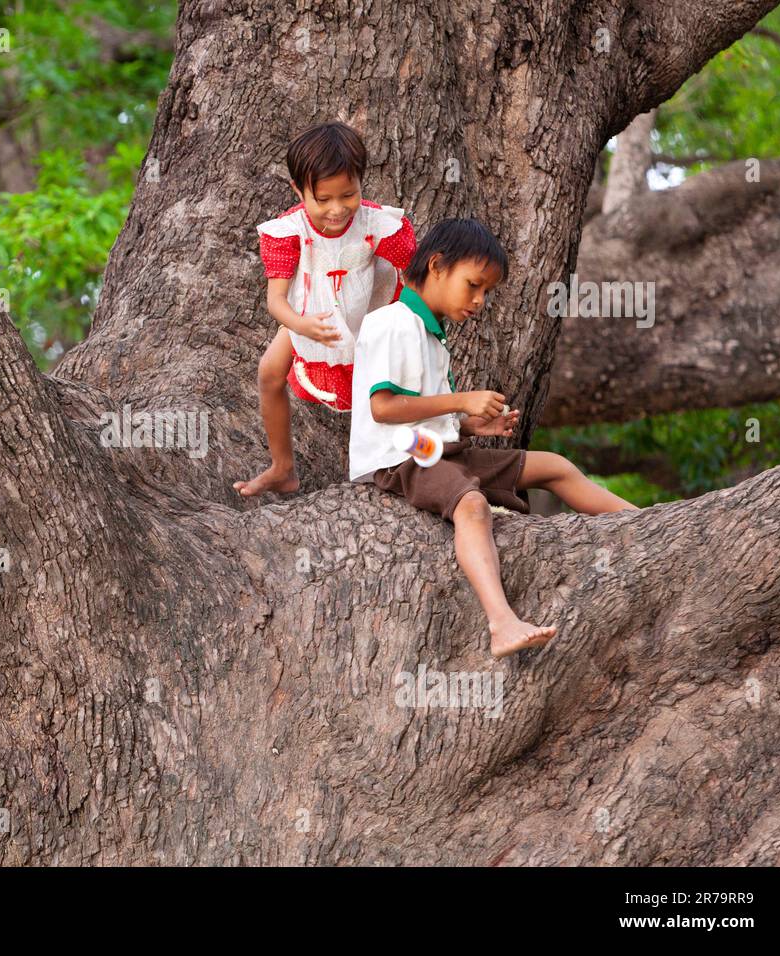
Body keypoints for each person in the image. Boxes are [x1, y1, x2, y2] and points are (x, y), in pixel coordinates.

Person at [349, 218, 639, 657]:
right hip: (398, 457)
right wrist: (463, 402)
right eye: (474, 285)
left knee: (555, 467)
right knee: (472, 505)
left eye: (486, 291)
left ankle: (645, 522)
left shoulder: (431, 334)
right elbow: (384, 408)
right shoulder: (393, 322)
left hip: (434, 449)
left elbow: (426, 410)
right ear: (437, 266)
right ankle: (502, 622)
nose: (480, 300)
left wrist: (469, 425)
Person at [234, 121, 416, 496]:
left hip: (366, 318)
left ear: (361, 184)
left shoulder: (375, 224)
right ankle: (282, 467)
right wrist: (300, 326)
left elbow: (412, 272)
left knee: (388, 399)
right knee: (269, 372)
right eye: (323, 199)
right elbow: (275, 301)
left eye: (348, 195)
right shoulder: (288, 232)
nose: (337, 210)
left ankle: (415, 461)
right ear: (298, 191)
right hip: (307, 317)